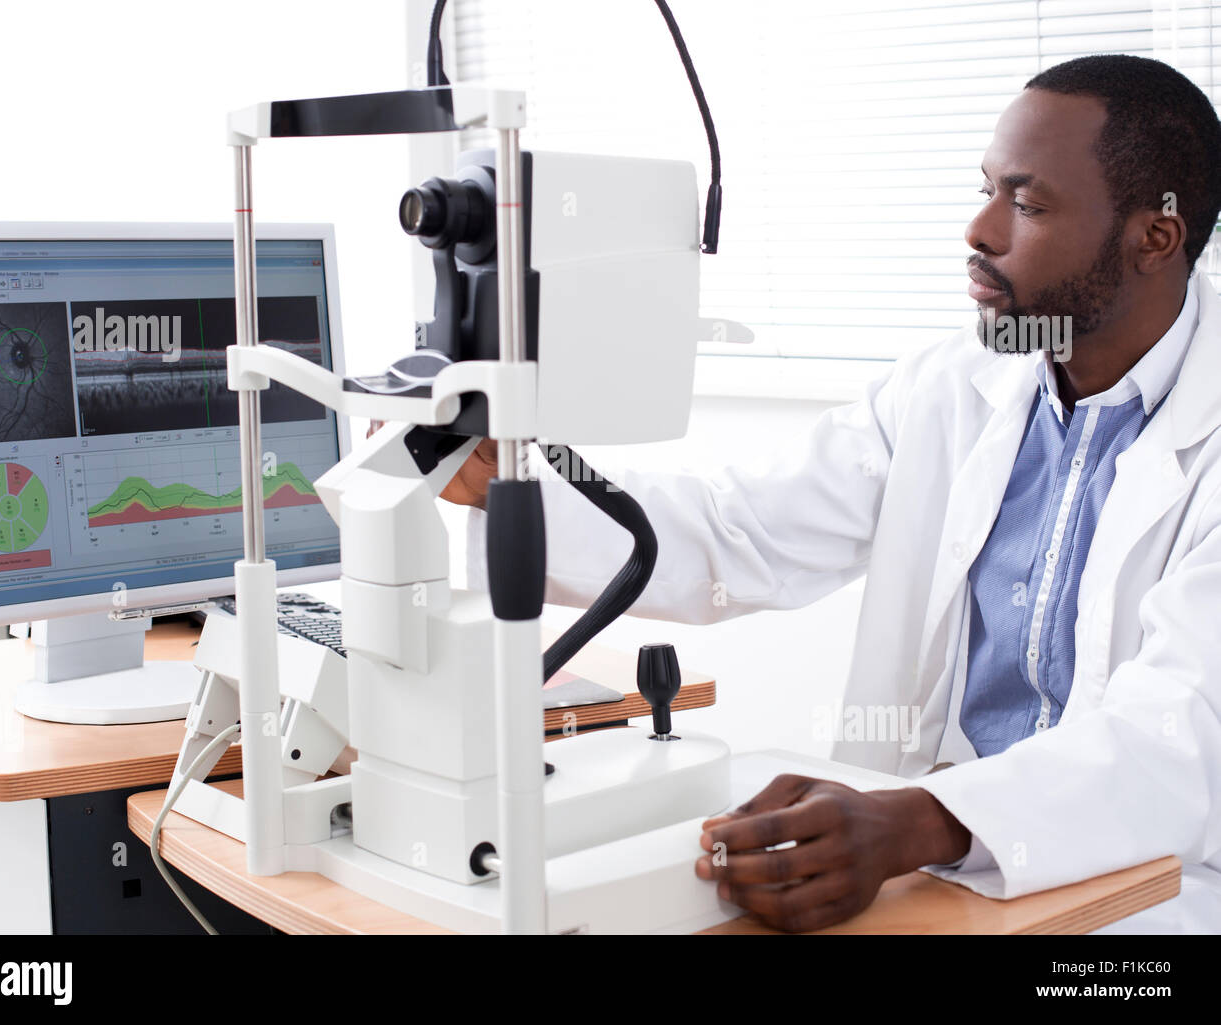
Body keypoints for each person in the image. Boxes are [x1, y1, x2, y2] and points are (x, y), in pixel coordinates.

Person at [446, 54, 1221, 932]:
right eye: (986, 190)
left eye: (1027, 204)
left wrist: (923, 821)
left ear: (1155, 237)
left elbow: (1176, 737)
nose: (979, 229)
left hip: (1146, 892)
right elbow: (743, 533)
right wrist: (524, 480)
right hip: (929, 859)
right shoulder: (949, 388)